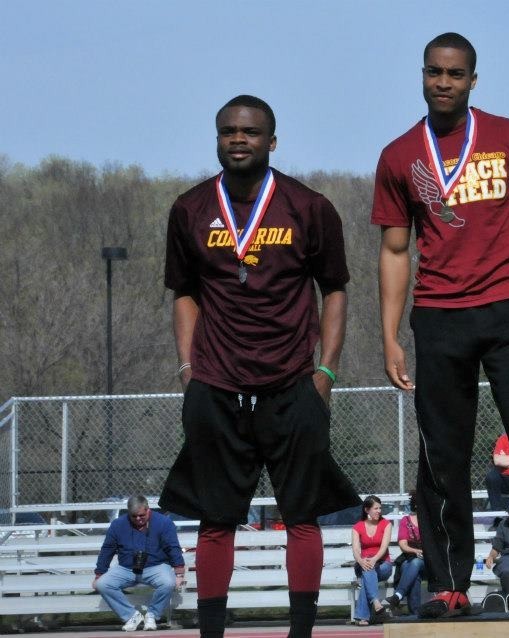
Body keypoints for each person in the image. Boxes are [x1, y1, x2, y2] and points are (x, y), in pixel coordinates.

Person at [371, 32, 509, 618]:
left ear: (473, 80)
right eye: (434, 72)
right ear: (422, 75)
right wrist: (389, 335)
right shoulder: (399, 153)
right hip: (438, 317)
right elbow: (393, 250)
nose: (443, 82)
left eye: (455, 74)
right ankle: (448, 583)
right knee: (442, 455)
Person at [159, 94, 360, 638]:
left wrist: (327, 372)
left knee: (302, 515)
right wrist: (187, 368)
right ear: (217, 139)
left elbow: (335, 288)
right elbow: (183, 292)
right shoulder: (190, 209)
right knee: (215, 519)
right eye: (228, 131)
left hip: (293, 385)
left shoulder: (308, 206)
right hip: (216, 386)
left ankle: (301, 632)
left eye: (250, 132)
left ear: (273, 141)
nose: (238, 140)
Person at [93, 496, 186, 632]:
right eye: (134, 516)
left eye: (141, 515)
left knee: (168, 582)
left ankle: (152, 615)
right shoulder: (118, 524)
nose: (138, 519)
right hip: (126, 568)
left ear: (148, 510)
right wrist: (99, 574)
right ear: (128, 513)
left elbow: (172, 547)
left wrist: (179, 573)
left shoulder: (164, 523)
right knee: (102, 584)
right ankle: (131, 616)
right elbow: (107, 549)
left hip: (156, 566)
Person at [351, 496, 393, 626]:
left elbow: (384, 547)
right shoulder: (357, 527)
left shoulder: (386, 524)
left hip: (383, 564)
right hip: (363, 564)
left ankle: (364, 616)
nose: (379, 511)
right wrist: (361, 561)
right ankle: (376, 603)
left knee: (367, 575)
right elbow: (356, 549)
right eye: (376, 508)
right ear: (367, 510)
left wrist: (374, 559)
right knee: (368, 569)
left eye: (380, 508)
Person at [386, 491, 424, 615]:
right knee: (414, 572)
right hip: (409, 559)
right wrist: (416, 551)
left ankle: (398, 595)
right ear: (417, 505)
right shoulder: (405, 520)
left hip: (429, 563)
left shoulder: (430, 522)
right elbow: (403, 545)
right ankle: (415, 614)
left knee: (416, 563)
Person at [485, 432, 509, 514]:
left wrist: (506, 459)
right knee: (491, 477)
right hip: (504, 477)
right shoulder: (504, 438)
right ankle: (497, 514)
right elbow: (497, 461)